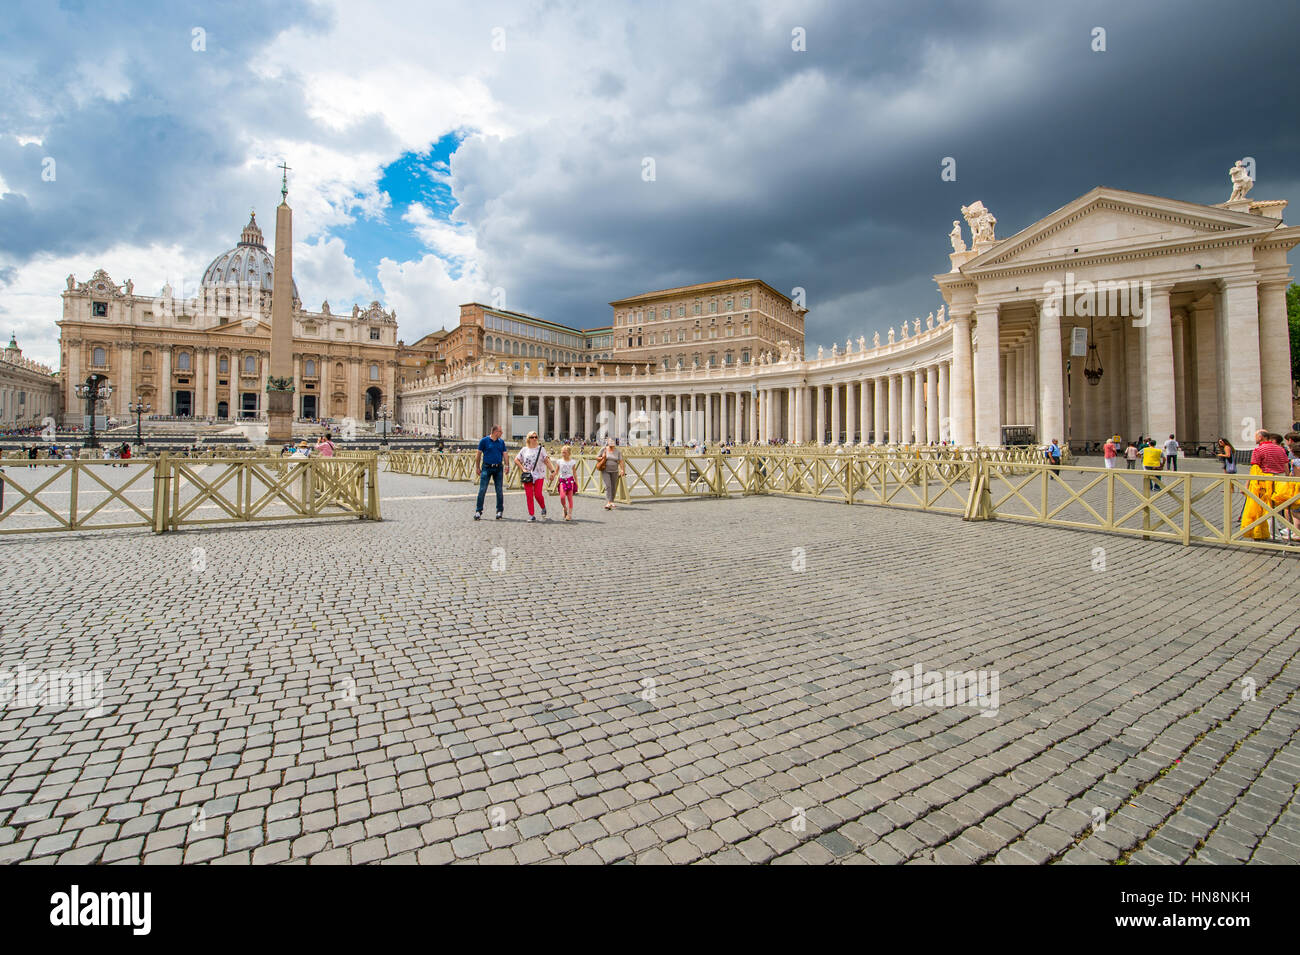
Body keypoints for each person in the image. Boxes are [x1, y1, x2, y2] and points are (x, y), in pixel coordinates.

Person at [513, 430, 551, 521]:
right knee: (529, 495)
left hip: (539, 474)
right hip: (528, 475)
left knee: (538, 494)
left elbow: (546, 460)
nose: (534, 439)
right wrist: (522, 468)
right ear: (528, 439)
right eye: (532, 437)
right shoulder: (524, 450)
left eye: (535, 437)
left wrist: (552, 471)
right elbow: (516, 460)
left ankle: (543, 507)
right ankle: (531, 515)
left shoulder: (541, 449)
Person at [474, 425, 507, 521]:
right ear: (495, 432)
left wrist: (507, 465)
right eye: (500, 431)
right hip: (486, 467)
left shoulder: (501, 442)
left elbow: (505, 454)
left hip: (498, 467)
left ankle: (499, 511)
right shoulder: (484, 441)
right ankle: (478, 511)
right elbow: (478, 454)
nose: (502, 433)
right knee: (482, 490)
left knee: (499, 490)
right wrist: (477, 467)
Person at [597, 435, 625, 510]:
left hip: (615, 470)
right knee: (608, 485)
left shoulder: (618, 451)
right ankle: (608, 502)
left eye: (613, 441)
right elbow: (597, 457)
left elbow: (621, 461)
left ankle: (612, 501)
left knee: (613, 486)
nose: (611, 443)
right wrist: (602, 457)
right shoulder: (604, 449)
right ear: (608, 442)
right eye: (610, 441)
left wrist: (622, 470)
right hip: (605, 470)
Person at [555, 444, 578, 521]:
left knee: (570, 498)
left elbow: (574, 473)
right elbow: (556, 471)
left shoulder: (572, 462)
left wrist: (576, 482)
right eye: (562, 452)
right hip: (562, 481)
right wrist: (552, 475)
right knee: (562, 497)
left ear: (569, 453)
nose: (563, 453)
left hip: (570, 481)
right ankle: (565, 508)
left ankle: (569, 514)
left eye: (564, 452)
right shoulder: (559, 461)